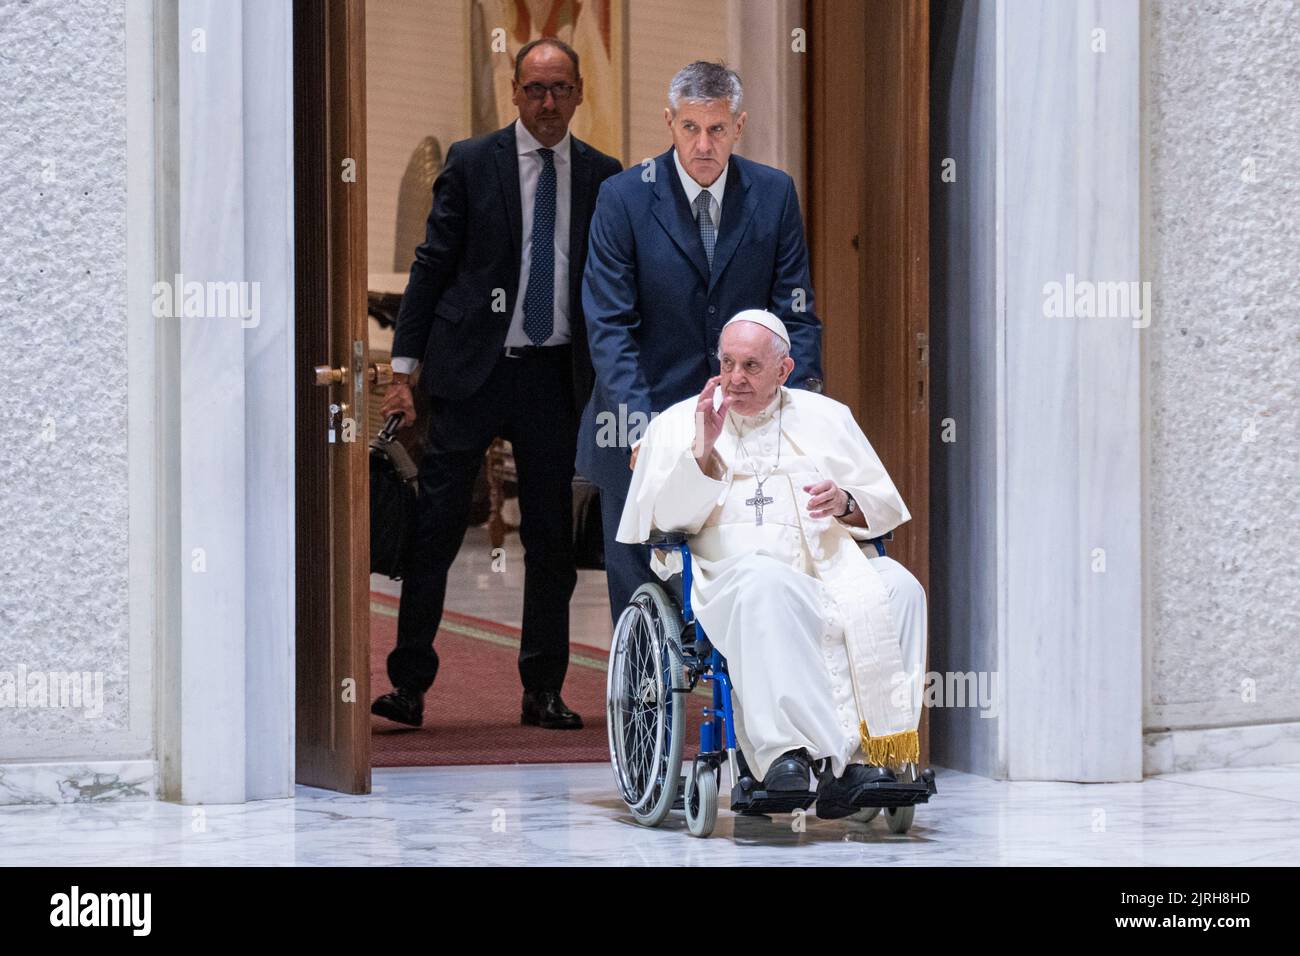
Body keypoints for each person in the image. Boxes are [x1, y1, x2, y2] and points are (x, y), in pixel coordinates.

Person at [372, 37, 622, 730]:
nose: (547, 103)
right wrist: (403, 372)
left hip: (553, 378)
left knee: (549, 541)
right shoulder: (473, 162)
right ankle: (410, 686)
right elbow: (430, 267)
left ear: (578, 95)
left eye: (560, 89)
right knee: (436, 529)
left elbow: (612, 281)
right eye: (535, 89)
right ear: (515, 92)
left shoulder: (605, 176)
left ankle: (543, 690)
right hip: (471, 371)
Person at [617, 310, 927, 819]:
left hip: (829, 562)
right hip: (732, 571)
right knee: (768, 583)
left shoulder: (828, 417)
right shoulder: (681, 422)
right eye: (727, 363)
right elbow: (663, 524)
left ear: (784, 370)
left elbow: (882, 506)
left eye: (752, 366)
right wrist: (703, 451)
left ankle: (870, 757)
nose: (735, 378)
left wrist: (845, 501)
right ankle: (783, 755)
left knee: (900, 587)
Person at [578, 60, 823, 623]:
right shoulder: (623, 198)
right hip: (639, 418)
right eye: (690, 128)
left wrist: (800, 404)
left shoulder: (773, 193)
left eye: (717, 129)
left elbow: (796, 313)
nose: (703, 144)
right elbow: (611, 326)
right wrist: (640, 428)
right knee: (641, 594)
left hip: (744, 425)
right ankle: (639, 705)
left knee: (743, 579)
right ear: (669, 122)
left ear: (740, 126)